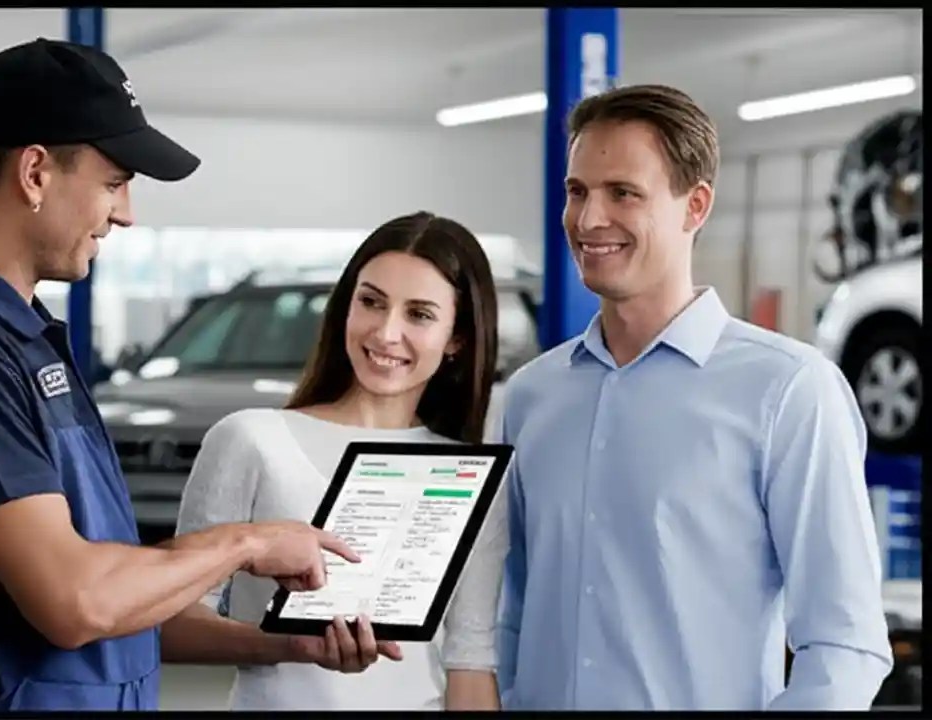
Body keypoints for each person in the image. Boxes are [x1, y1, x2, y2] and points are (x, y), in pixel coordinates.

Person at [0, 38, 360, 713]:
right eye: (114, 183)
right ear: (34, 172)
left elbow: (122, 601)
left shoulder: (22, 338)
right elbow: (76, 601)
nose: (126, 213)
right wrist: (246, 540)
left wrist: (288, 646)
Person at [496, 84, 894, 711]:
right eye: (577, 192)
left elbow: (845, 643)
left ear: (695, 205)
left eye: (623, 193)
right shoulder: (531, 398)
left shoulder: (788, 390)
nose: (588, 218)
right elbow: (510, 612)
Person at [166, 211, 508, 711]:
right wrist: (287, 646)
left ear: (457, 338)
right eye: (371, 302)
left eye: (420, 314)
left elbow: (471, 661)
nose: (387, 333)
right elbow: (171, 625)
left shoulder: (470, 475)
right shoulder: (252, 440)